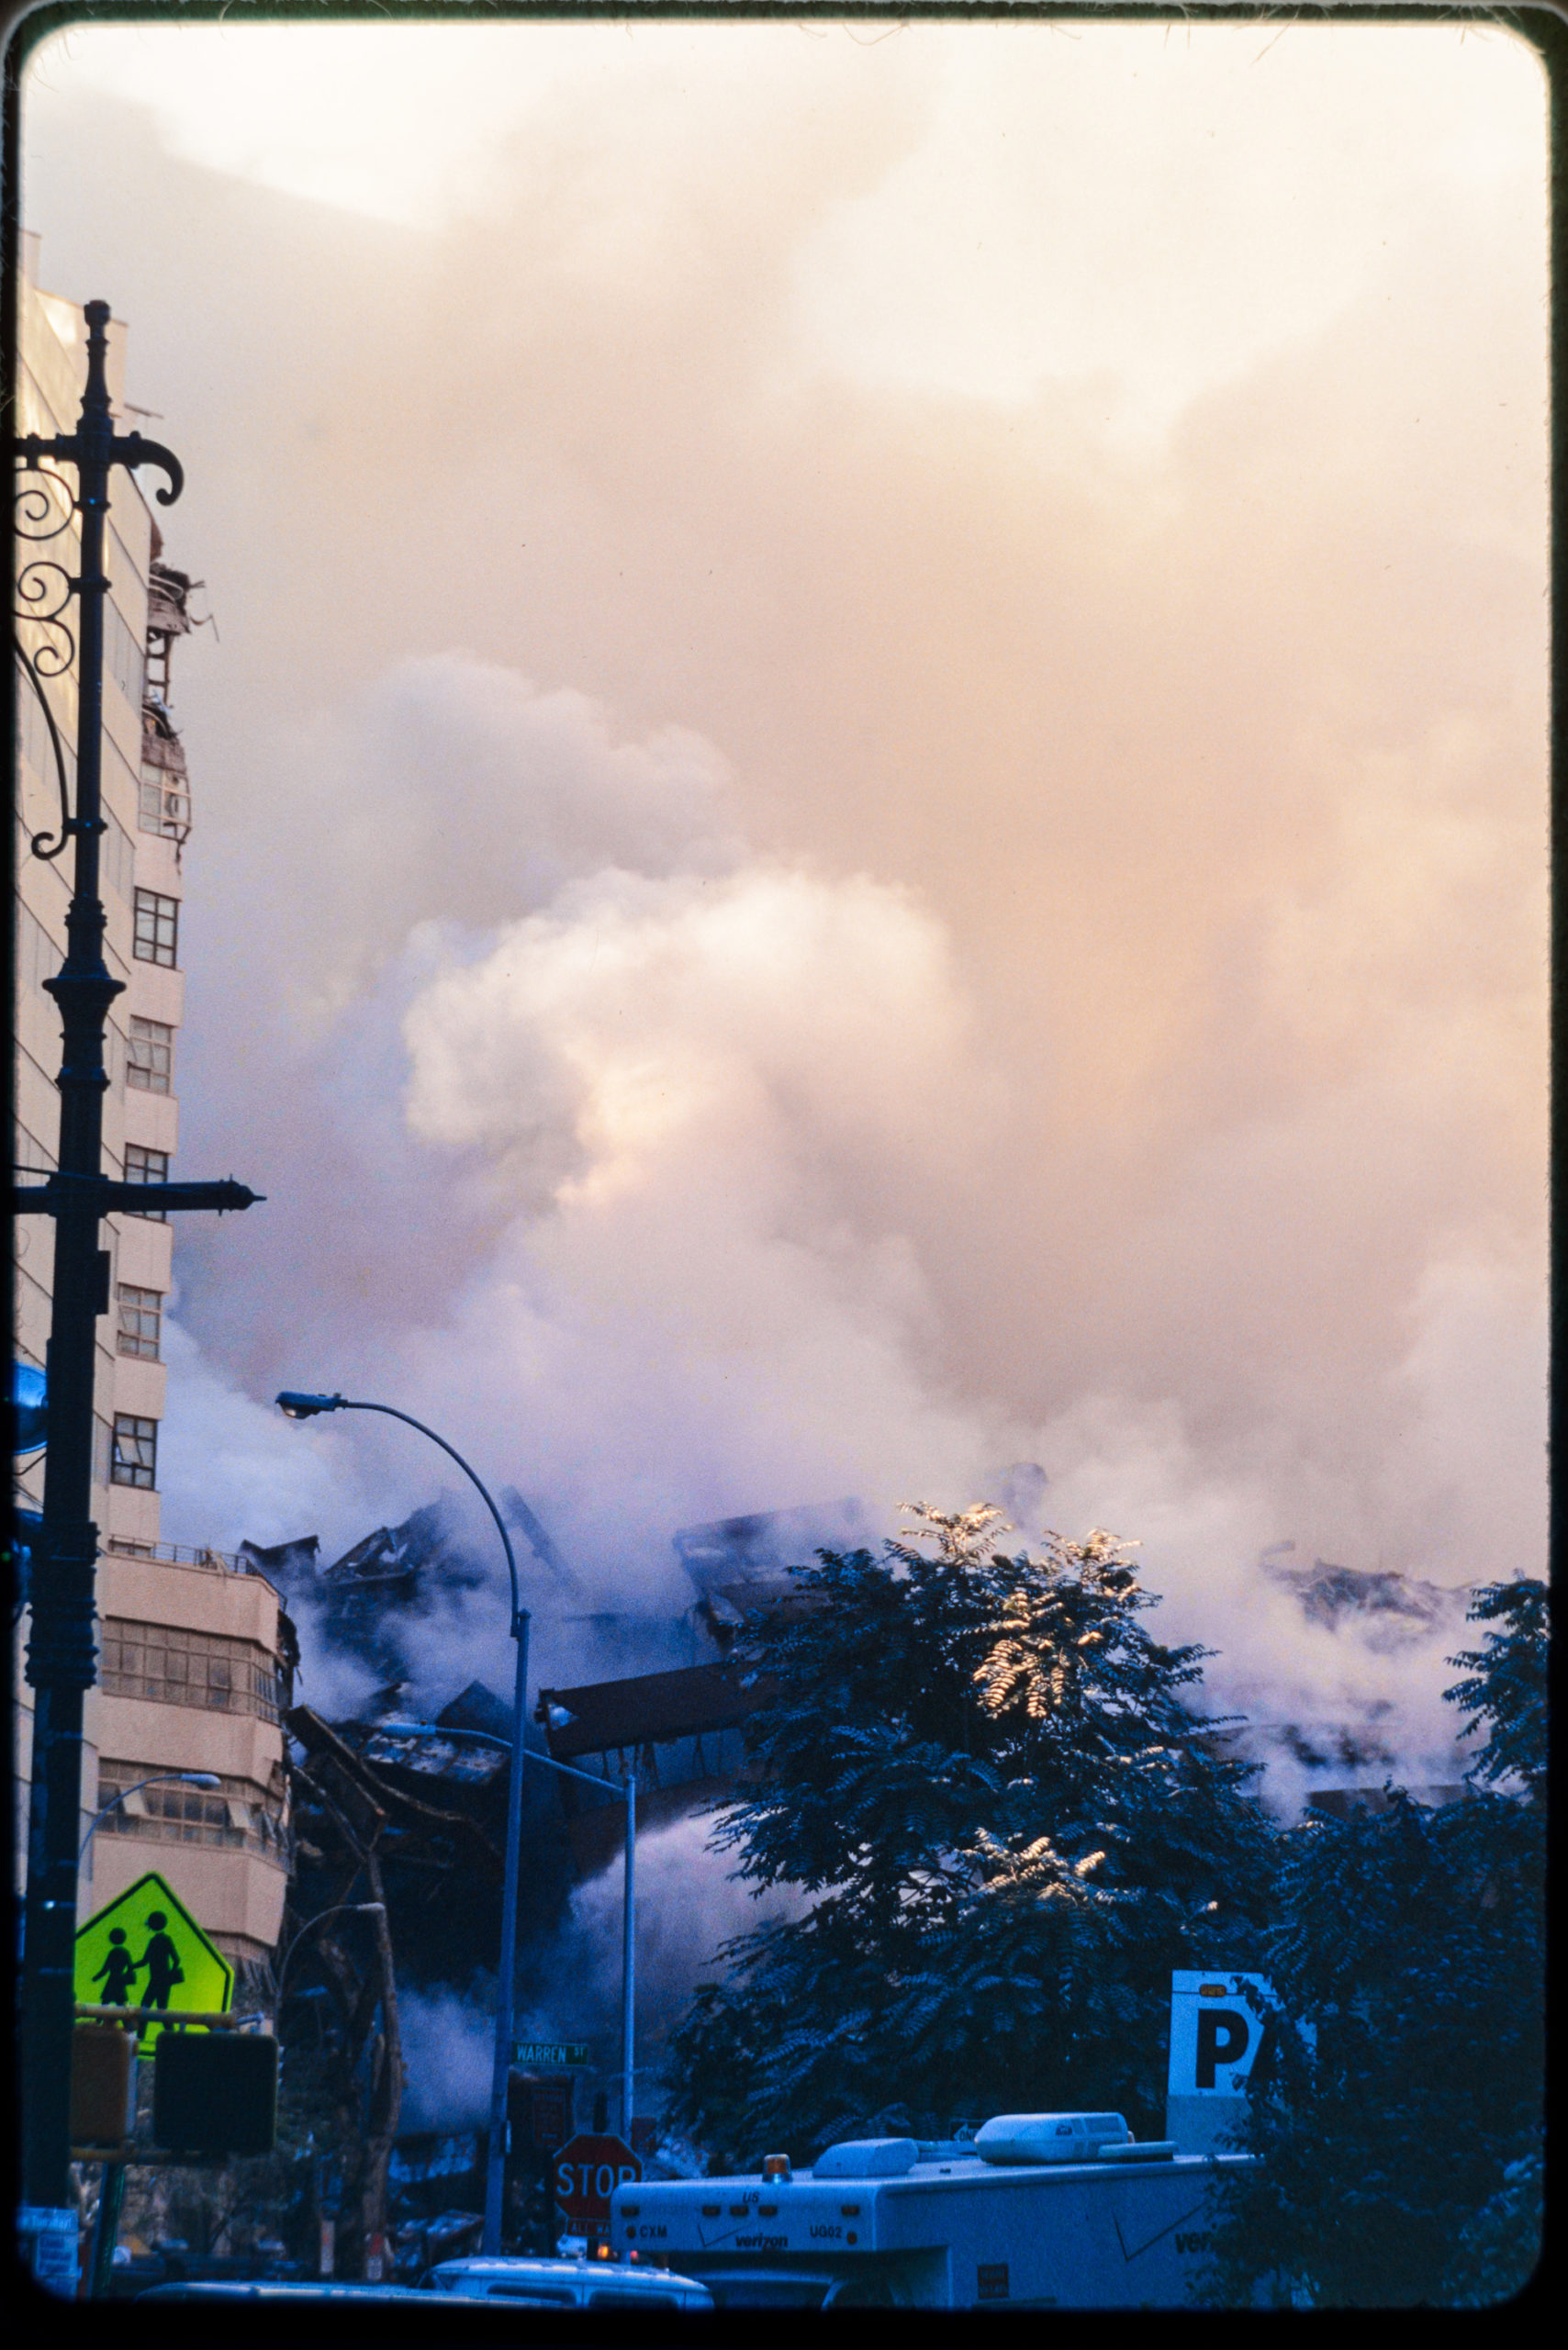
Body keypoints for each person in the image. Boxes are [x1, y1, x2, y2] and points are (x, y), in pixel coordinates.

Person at [137, 1910, 185, 2010]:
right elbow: (176, 1960)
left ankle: (142, 2026)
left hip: (155, 1980)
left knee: (145, 2008)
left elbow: (144, 1961)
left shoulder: (154, 1941)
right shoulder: (165, 1939)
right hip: (162, 1981)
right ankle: (167, 2026)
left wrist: (131, 1966)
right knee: (161, 2009)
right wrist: (169, 1975)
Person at [92, 1926, 140, 2006]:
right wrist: (126, 1977)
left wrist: (96, 1978)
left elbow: (105, 1969)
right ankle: (127, 2018)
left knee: (105, 2003)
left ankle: (99, 2018)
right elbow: (130, 1967)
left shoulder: (113, 1952)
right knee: (121, 2003)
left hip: (112, 1980)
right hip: (120, 1981)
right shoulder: (125, 1952)